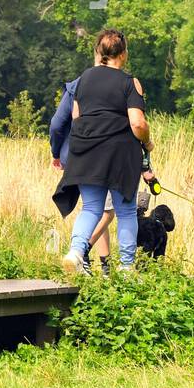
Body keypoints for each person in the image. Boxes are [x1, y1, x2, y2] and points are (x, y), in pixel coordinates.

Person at [53, 28, 153, 274]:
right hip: (120, 154)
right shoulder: (130, 82)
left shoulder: (84, 79)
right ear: (124, 54)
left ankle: (76, 252)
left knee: (91, 208)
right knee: (126, 210)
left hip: (86, 151)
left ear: (99, 52)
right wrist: (148, 143)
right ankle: (127, 269)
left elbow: (77, 116)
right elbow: (137, 123)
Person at [50, 76, 115, 275]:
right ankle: (81, 252)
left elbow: (57, 123)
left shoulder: (76, 85)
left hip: (76, 157)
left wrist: (56, 152)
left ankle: (104, 267)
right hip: (105, 157)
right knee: (106, 210)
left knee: (93, 208)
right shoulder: (116, 82)